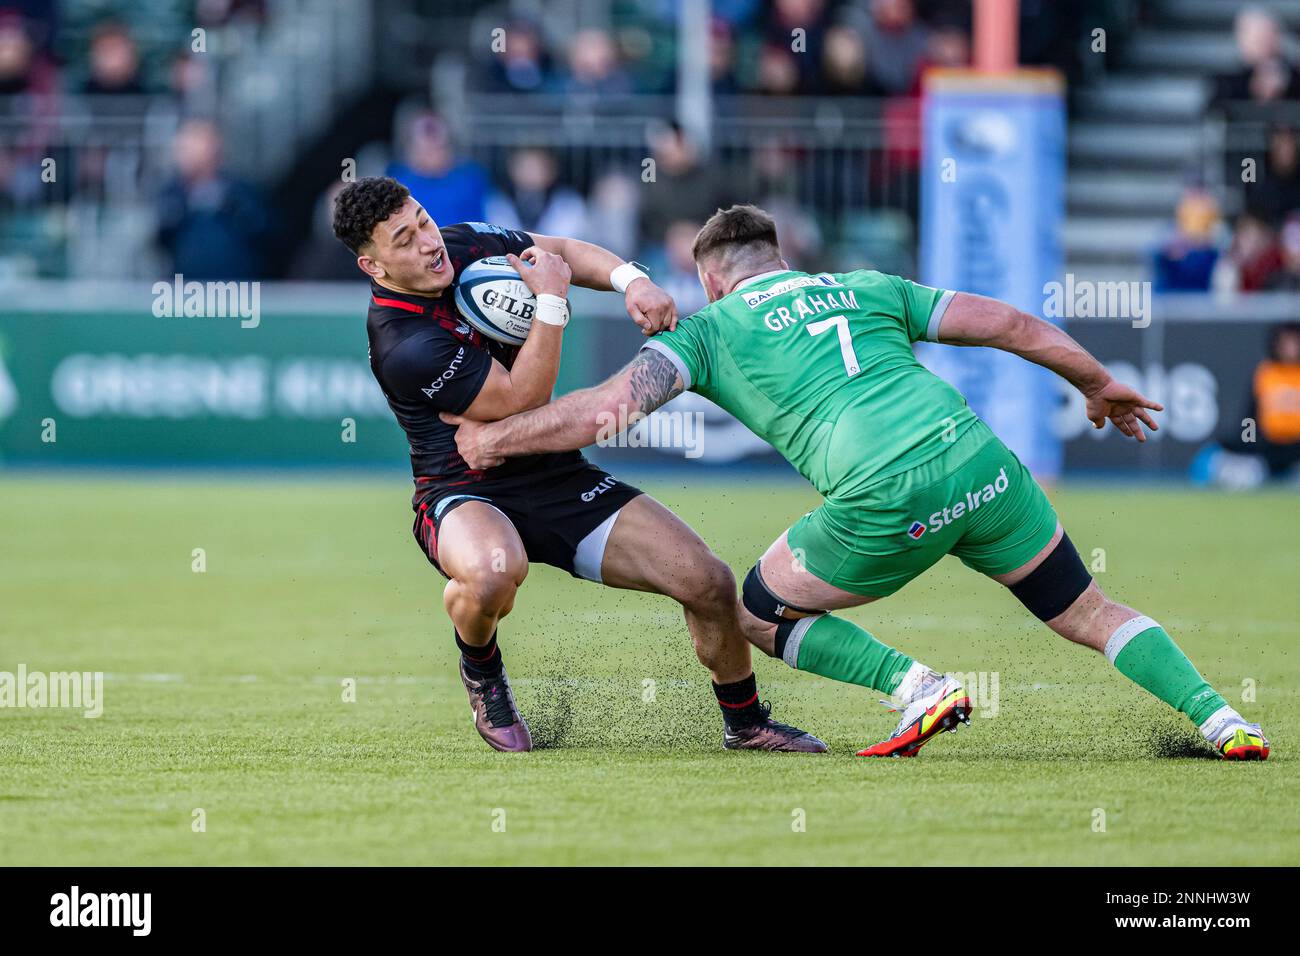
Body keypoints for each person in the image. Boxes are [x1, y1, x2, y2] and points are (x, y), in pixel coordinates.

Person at [447, 204, 1271, 762]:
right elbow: (1011, 325)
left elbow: (604, 412)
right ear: (782, 259)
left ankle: (916, 687)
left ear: (709, 279)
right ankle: (1223, 720)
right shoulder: (867, 287)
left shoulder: (707, 332)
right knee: (1090, 612)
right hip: (981, 465)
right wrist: (1096, 383)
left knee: (753, 612)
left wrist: (496, 437)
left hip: (886, 495)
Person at [330, 179, 822, 754]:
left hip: (555, 474)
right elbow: (523, 400)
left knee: (707, 581)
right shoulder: (402, 342)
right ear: (373, 264)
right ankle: (481, 665)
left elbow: (562, 249)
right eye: (404, 239)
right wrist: (552, 301)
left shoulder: (461, 244)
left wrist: (631, 281)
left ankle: (746, 724)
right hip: (463, 489)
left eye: (423, 220)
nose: (428, 242)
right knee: (493, 572)